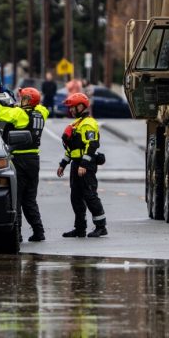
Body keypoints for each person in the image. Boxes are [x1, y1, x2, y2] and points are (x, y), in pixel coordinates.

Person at [0, 87, 49, 242]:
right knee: (30, 199)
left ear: (29, 101)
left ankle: (17, 234)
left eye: (23, 98)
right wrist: (18, 104)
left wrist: (0, 104)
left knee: (16, 198)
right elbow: (40, 107)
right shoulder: (42, 113)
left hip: (19, 159)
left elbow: (0, 112)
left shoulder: (20, 114)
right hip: (34, 160)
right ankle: (38, 231)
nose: (21, 100)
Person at [57, 92, 107, 238]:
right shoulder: (77, 123)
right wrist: (63, 164)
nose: (71, 110)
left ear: (81, 106)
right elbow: (72, 148)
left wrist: (84, 164)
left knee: (90, 196)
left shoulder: (88, 124)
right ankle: (80, 228)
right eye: (70, 108)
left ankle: (101, 227)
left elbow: (92, 145)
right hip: (76, 164)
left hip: (86, 166)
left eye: (73, 107)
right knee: (76, 197)